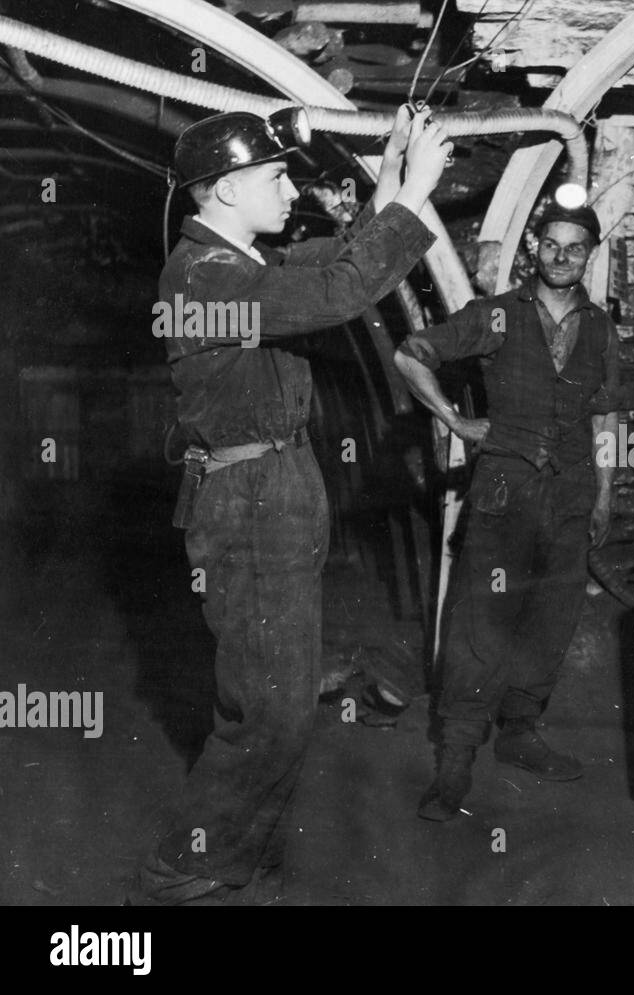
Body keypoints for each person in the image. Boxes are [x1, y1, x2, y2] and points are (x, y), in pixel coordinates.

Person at [132, 106, 453, 905]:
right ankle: (179, 872)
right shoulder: (201, 279)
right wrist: (417, 192)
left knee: (284, 703)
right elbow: (343, 292)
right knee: (268, 713)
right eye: (276, 176)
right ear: (230, 187)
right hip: (245, 503)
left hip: (275, 489)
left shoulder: (242, 259)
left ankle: (245, 866)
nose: (290, 188)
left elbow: (341, 260)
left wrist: (387, 179)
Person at [394, 202, 623, 822]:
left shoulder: (601, 328)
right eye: (551, 244)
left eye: (574, 247)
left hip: (572, 495)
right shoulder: (495, 314)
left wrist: (604, 492)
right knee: (482, 621)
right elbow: (411, 353)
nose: (561, 256)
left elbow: (606, 413)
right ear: (533, 248)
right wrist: (454, 420)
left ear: (589, 255)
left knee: (550, 616)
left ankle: (520, 733)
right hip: (505, 491)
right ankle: (456, 761)